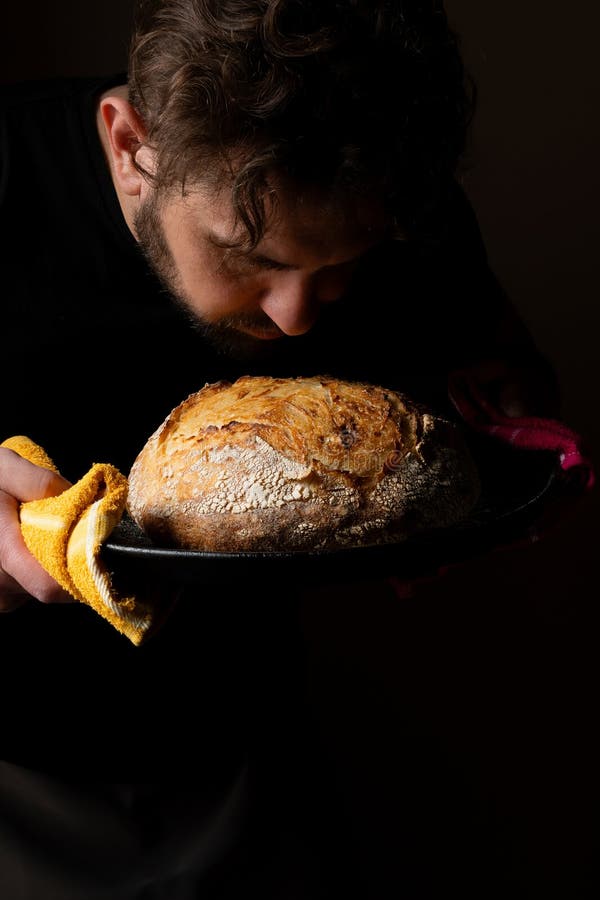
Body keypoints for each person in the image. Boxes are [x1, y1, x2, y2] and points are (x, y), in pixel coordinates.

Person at [0, 1, 562, 897]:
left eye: (340, 269)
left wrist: (508, 427)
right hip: (21, 782)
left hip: (252, 741)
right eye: (246, 254)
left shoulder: (397, 190)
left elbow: (500, 366)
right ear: (130, 144)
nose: (294, 317)